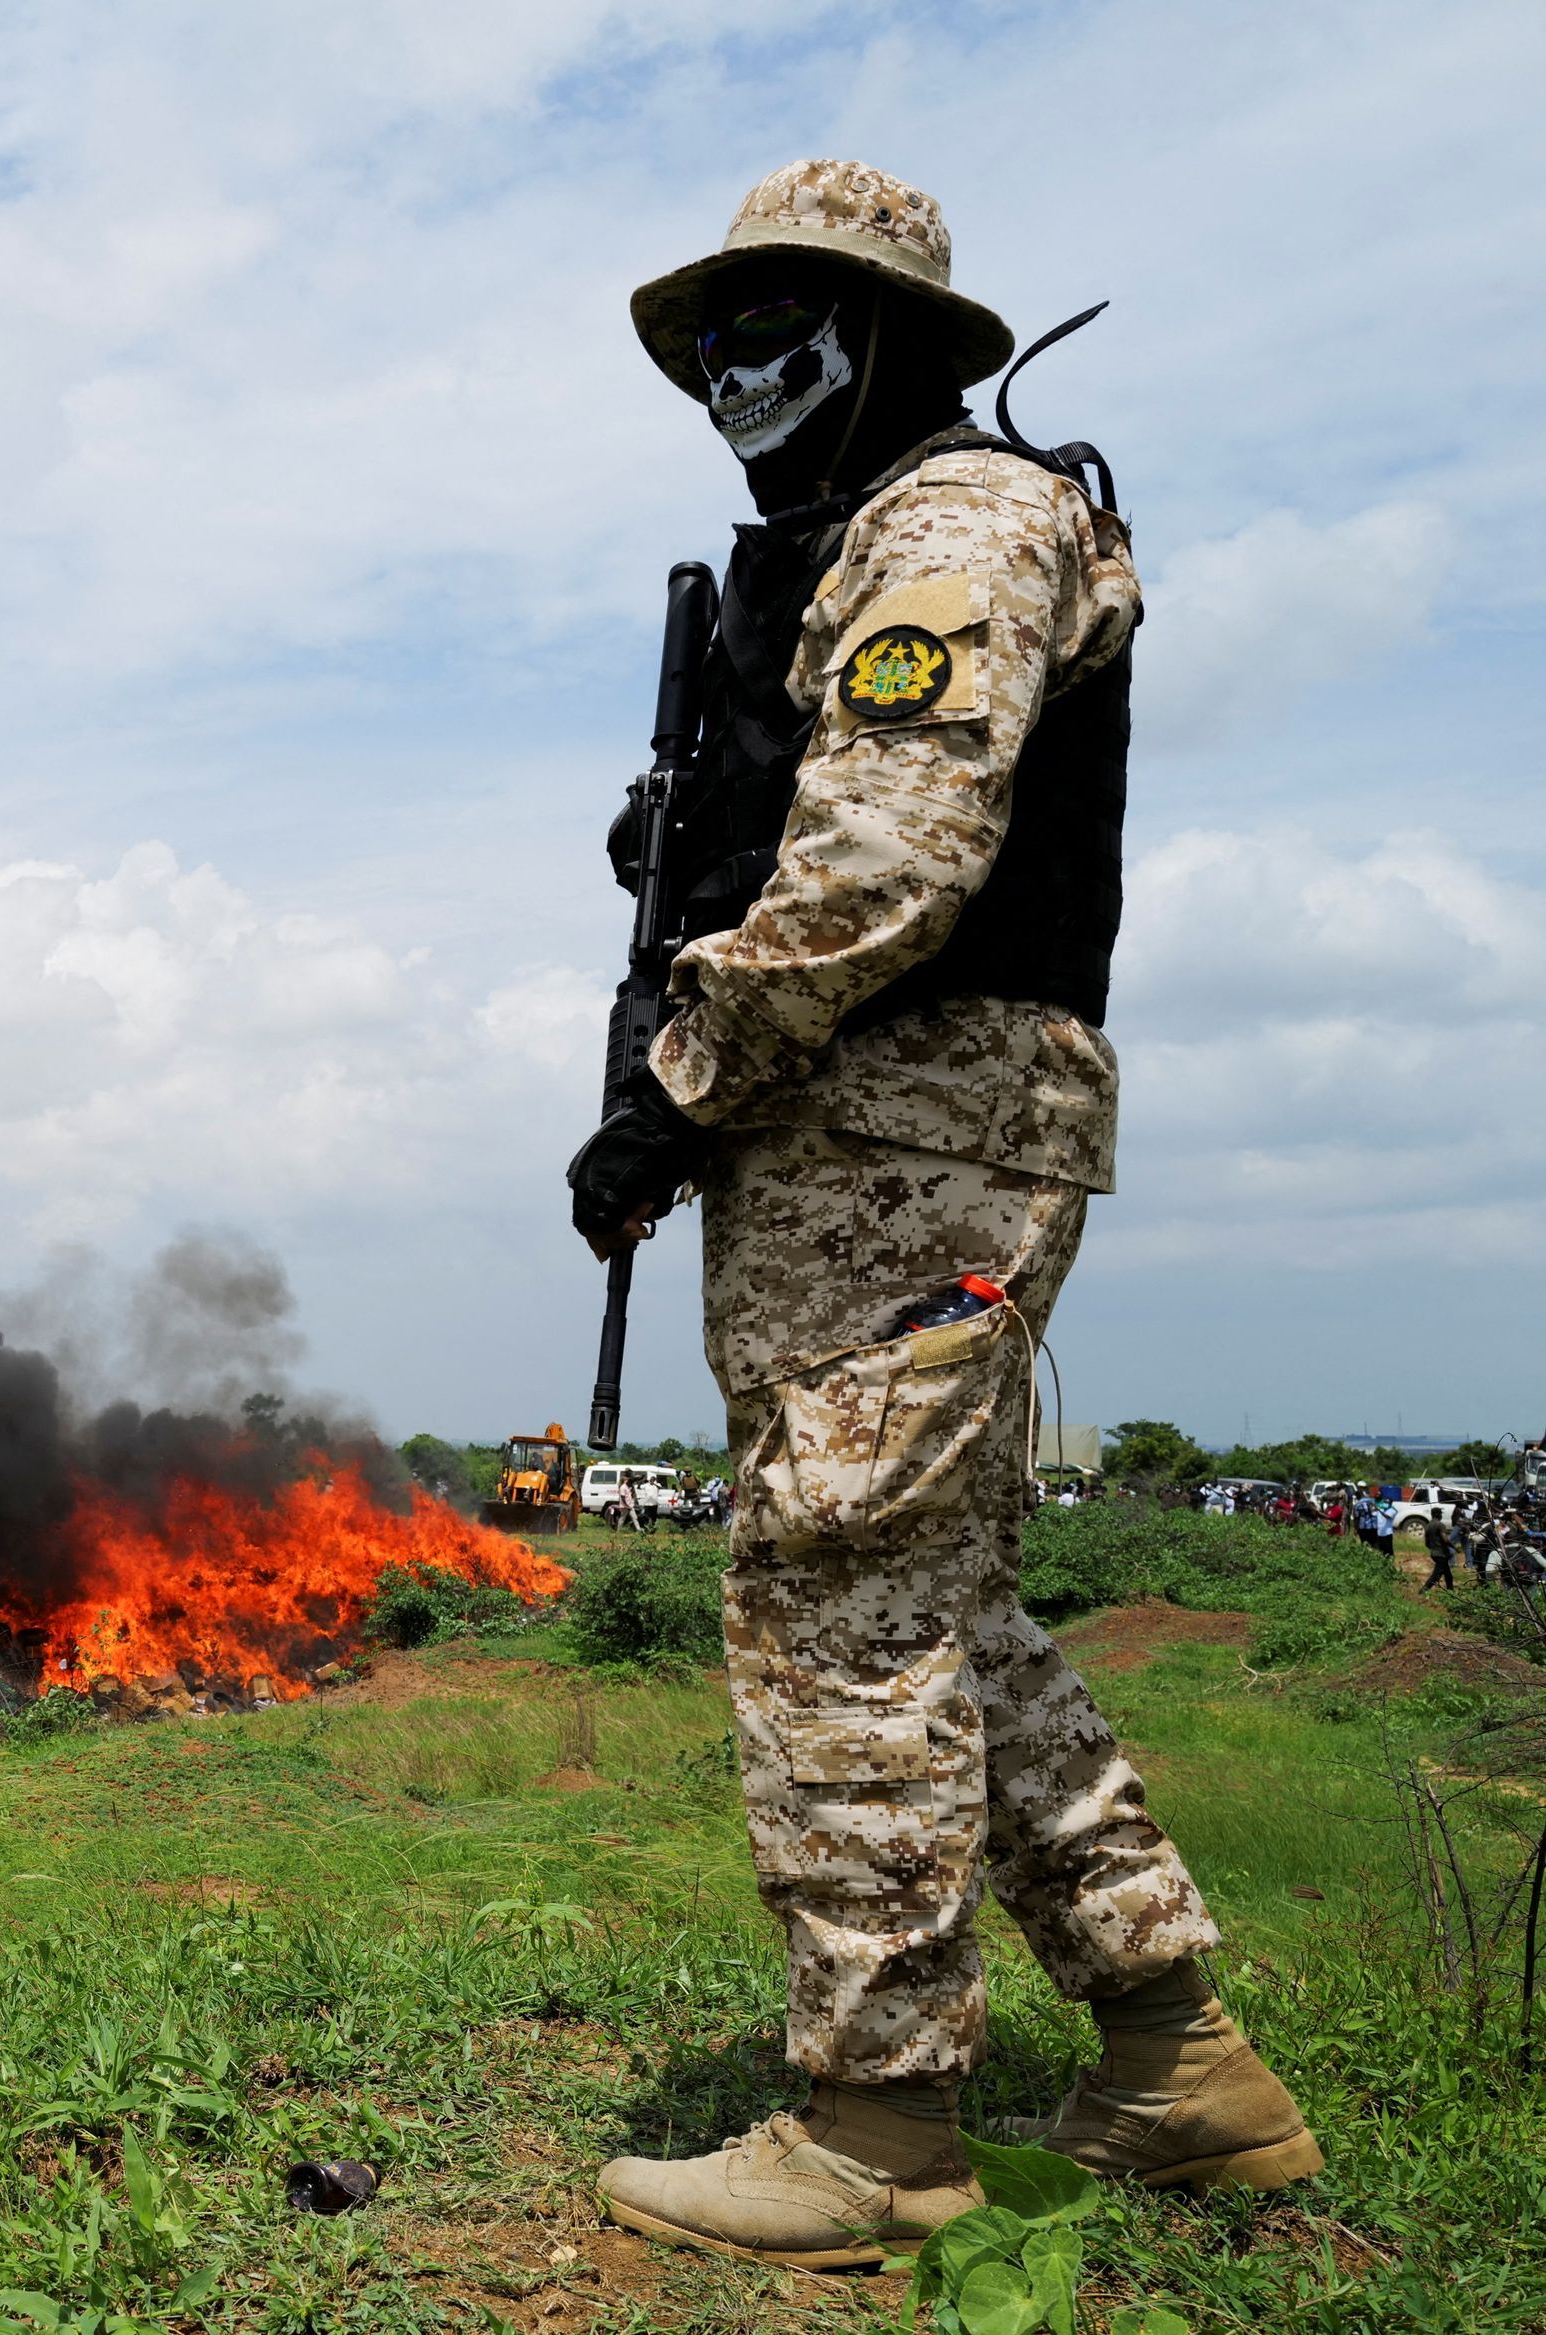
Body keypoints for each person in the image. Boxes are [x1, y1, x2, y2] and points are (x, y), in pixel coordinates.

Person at [566, 161, 1318, 2269]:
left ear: (890, 333)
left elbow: (890, 859)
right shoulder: (848, 554)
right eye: (708, 332)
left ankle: (878, 2128)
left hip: (913, 1129)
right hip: (868, 1141)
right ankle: (1178, 2063)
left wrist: (674, 1078)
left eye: (773, 320)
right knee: (933, 1604)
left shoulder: (956, 521)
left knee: (833, 1600)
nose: (733, 368)